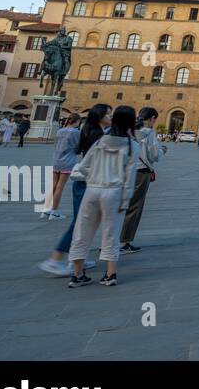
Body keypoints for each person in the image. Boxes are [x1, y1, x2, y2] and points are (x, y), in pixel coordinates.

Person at [68, 105, 140, 287]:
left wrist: (95, 177)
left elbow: (83, 166)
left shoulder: (101, 142)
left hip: (92, 189)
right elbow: (130, 178)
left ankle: (76, 275)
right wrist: (125, 201)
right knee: (111, 233)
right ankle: (110, 274)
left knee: (82, 231)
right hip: (114, 192)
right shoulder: (132, 146)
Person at [37, 105, 112, 276]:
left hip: (83, 181)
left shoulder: (89, 131)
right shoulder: (98, 135)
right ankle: (55, 259)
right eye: (108, 113)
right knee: (79, 223)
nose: (110, 116)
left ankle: (78, 257)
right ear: (99, 116)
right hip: (88, 182)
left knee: (86, 222)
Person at [119, 107, 164, 254]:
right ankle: (124, 242)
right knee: (134, 207)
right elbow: (154, 155)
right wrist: (163, 149)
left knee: (122, 205)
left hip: (124, 171)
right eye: (154, 119)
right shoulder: (148, 133)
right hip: (140, 172)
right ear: (151, 118)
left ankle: (112, 239)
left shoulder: (129, 130)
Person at [42, 115, 82, 220]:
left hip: (56, 159)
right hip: (67, 160)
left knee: (53, 185)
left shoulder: (60, 131)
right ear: (77, 121)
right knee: (60, 186)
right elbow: (78, 146)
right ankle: (54, 211)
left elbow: (55, 145)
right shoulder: (75, 132)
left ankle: (46, 210)